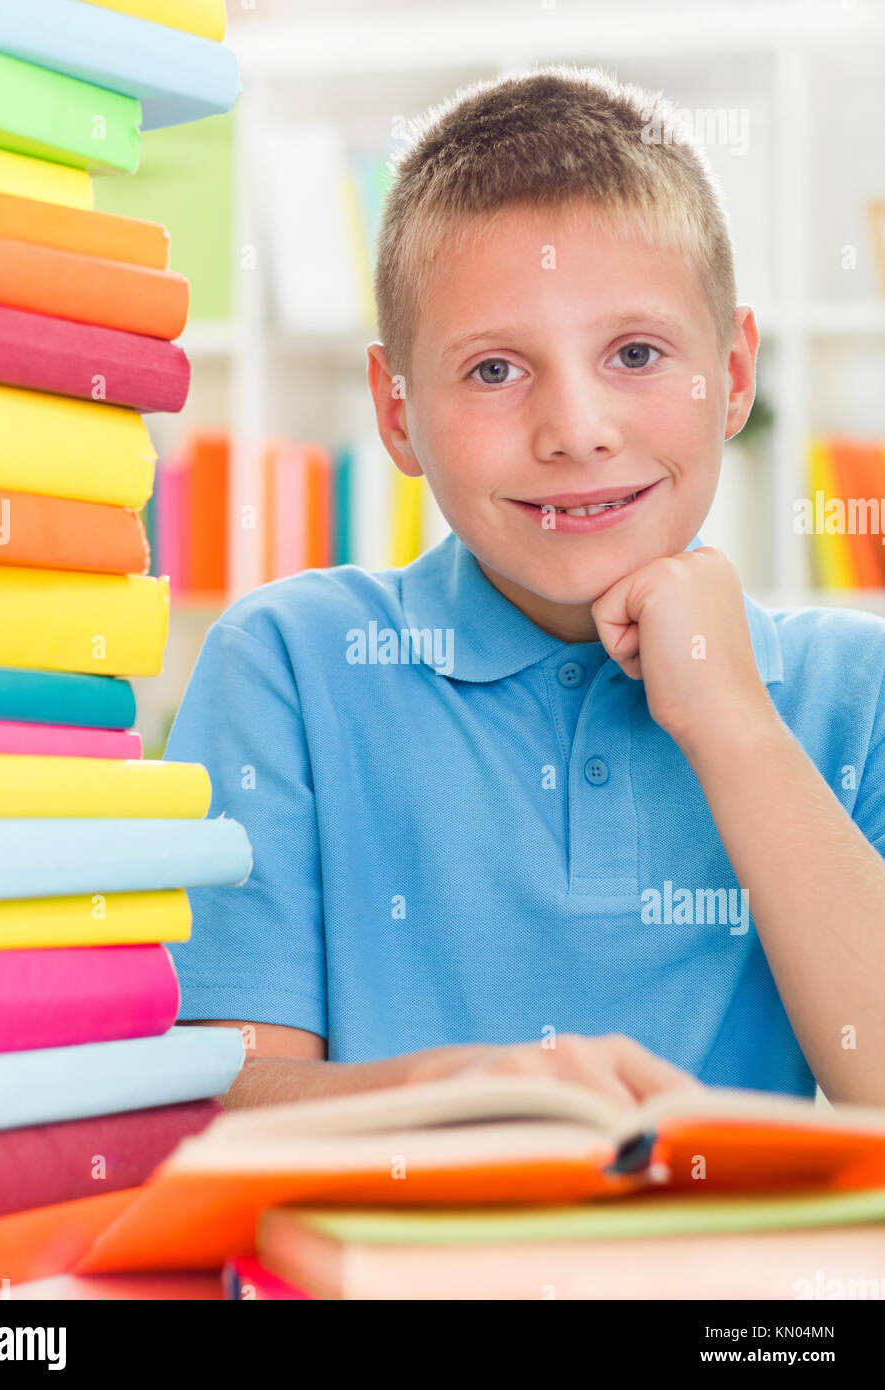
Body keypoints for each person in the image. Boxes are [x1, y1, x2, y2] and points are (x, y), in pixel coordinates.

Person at [164, 65, 885, 1111]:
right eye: (495, 370)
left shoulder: (848, 686)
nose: (575, 429)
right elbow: (215, 1112)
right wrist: (475, 1094)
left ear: (731, 377)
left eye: (635, 352)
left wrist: (734, 724)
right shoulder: (286, 663)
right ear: (398, 410)